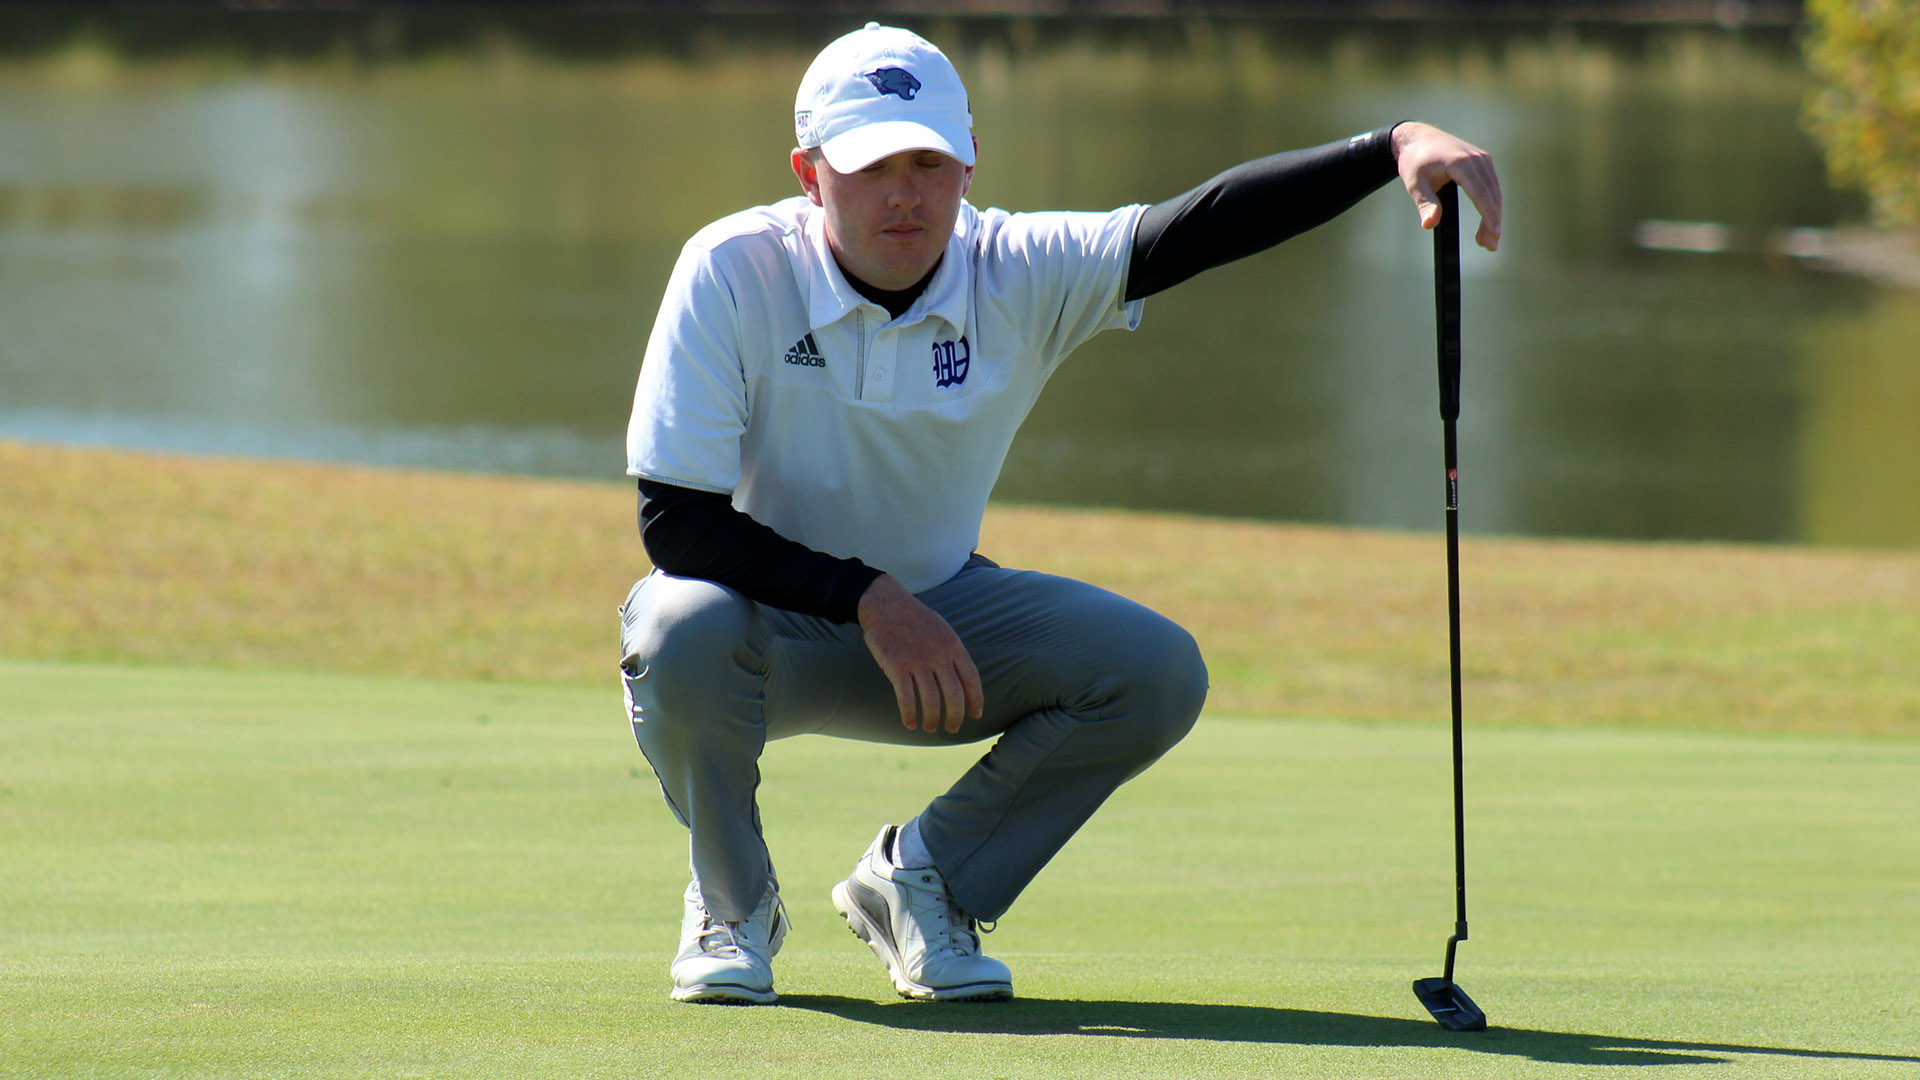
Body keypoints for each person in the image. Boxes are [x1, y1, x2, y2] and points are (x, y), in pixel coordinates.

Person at [618, 22, 1502, 1005]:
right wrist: (869, 600)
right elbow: (677, 521)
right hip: (762, 640)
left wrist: (1387, 150)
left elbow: (1198, 227)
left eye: (927, 161)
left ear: (968, 164)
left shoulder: (1016, 267)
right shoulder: (733, 269)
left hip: (944, 632)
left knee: (1155, 669)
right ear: (810, 171)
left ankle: (924, 883)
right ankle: (733, 905)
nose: (903, 192)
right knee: (673, 622)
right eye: (870, 167)